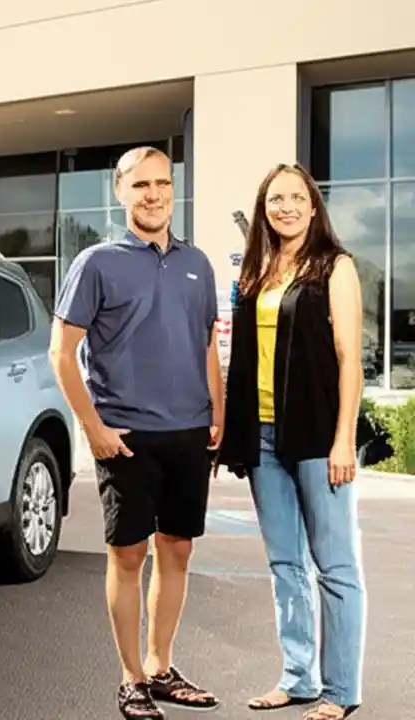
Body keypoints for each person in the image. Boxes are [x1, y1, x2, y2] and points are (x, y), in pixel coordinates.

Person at [49, 146, 223, 719]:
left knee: (178, 550)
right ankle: (130, 678)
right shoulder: (96, 262)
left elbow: (206, 347)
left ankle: (161, 665)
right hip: (125, 436)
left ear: (174, 190)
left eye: (162, 184)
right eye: (140, 185)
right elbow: (62, 353)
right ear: (119, 192)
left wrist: (216, 415)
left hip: (189, 432)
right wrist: (92, 426)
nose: (153, 195)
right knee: (129, 557)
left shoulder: (198, 262)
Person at [217, 163, 367, 720]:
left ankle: (341, 690)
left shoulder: (335, 266)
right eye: (275, 198)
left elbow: (350, 359)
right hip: (260, 433)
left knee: (335, 565)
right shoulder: (258, 267)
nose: (285, 207)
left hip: (316, 433)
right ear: (264, 208)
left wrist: (343, 440)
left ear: (312, 205)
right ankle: (299, 677)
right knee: (285, 563)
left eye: (295, 198)